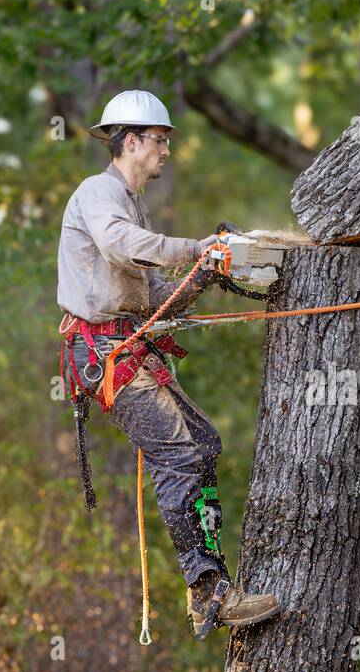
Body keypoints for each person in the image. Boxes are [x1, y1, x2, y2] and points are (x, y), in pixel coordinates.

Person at [58, 89, 280, 639]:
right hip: (105, 352)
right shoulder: (98, 195)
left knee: (202, 443)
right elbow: (118, 246)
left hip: (130, 346)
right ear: (130, 140)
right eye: (159, 141)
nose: (165, 152)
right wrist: (194, 249)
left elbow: (158, 293)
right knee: (179, 453)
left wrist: (211, 273)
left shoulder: (133, 206)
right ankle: (210, 592)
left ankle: (209, 586)